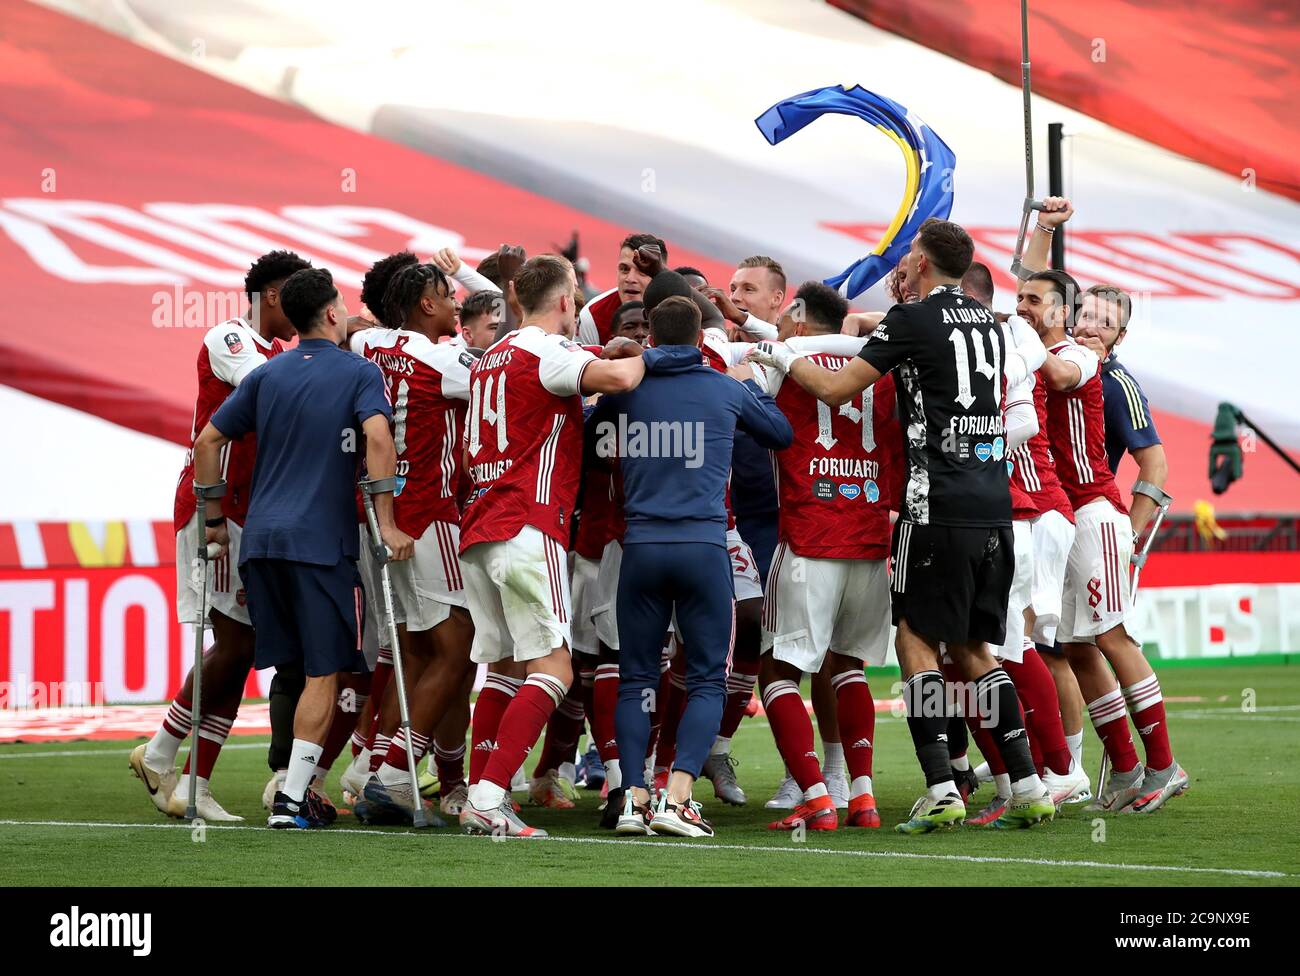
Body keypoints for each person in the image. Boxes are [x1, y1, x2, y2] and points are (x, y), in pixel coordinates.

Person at [748, 218, 1056, 832]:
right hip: (994, 501)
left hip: (933, 502)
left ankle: (941, 782)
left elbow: (837, 390)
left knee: (915, 638)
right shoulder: (993, 326)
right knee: (974, 647)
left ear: (921, 261)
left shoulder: (912, 319)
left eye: (911, 253)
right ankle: (1026, 781)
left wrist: (783, 353)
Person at [193, 267, 412, 830]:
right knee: (323, 672)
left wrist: (214, 518)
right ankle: (292, 798)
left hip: (260, 542)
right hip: (319, 543)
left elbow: (208, 439)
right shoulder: (361, 371)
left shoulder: (267, 375)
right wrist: (386, 523)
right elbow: (380, 437)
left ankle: (290, 787)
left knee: (290, 667)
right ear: (334, 312)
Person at [457, 254, 648, 838]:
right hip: (527, 522)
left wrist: (601, 351)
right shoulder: (546, 351)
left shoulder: (493, 354)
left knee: (506, 666)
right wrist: (655, 355)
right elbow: (618, 380)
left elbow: (582, 364)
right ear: (567, 301)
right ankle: (489, 797)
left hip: (481, 525)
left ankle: (479, 786)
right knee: (556, 667)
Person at [594, 295, 792, 837]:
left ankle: (633, 797)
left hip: (640, 549)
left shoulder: (627, 387)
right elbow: (781, 433)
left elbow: (594, 437)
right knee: (708, 678)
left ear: (652, 336)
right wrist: (746, 384)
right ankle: (677, 799)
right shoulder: (723, 387)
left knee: (637, 676)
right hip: (704, 547)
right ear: (702, 337)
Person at [131, 249, 309, 823]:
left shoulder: (279, 352)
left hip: (247, 511)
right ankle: (163, 753)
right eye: (299, 297)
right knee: (236, 644)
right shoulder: (229, 337)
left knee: (245, 647)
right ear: (276, 294)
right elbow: (264, 389)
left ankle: (190, 779)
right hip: (214, 506)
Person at [1018, 268, 1187, 814]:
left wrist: (1131, 535)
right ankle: (1124, 767)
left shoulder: (1100, 370)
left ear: (1119, 337)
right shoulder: (1054, 349)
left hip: (1095, 514)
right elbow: (1032, 274)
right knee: (1076, 647)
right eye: (1087, 313)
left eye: (1105, 321)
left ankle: (1163, 764)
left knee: (1113, 637)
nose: (1093, 326)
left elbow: (1155, 462)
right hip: (1062, 517)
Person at [750, 282, 901, 831]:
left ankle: (814, 795)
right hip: (869, 540)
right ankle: (861, 795)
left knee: (777, 670)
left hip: (809, 537)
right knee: (849, 666)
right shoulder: (877, 364)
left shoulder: (780, 359)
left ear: (796, 314)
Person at [346, 262, 477, 825]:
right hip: (428, 515)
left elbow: (356, 327)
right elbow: (502, 372)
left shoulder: (366, 343)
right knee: (460, 646)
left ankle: (377, 766)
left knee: (415, 649)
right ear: (427, 304)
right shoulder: (445, 361)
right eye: (450, 297)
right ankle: (398, 774)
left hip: (374, 514)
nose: (458, 309)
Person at [577, 232, 667, 346]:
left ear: (660, 274)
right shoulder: (593, 315)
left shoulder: (678, 311)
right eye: (624, 269)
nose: (630, 279)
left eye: (642, 271)